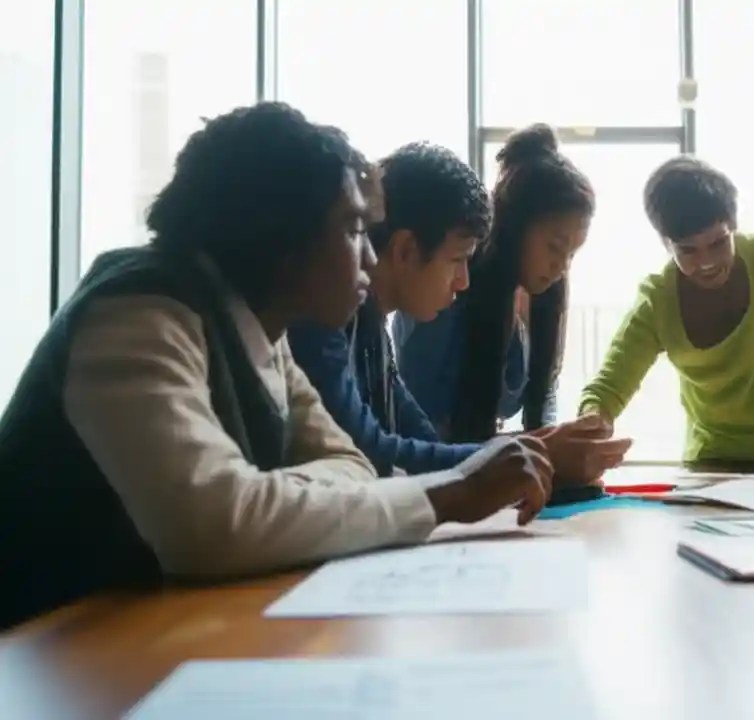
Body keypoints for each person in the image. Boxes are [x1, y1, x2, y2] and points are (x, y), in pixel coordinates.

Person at [0, 103, 552, 630]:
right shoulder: (138, 312)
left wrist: (262, 498)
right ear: (285, 233)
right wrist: (448, 494)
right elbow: (214, 525)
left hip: (131, 632)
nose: (370, 257)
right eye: (354, 229)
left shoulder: (263, 331)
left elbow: (352, 467)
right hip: (43, 652)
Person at [291, 139, 627, 484]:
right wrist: (536, 454)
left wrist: (532, 452)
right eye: (458, 260)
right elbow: (374, 451)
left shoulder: (370, 325)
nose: (463, 282)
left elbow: (422, 444)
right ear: (406, 249)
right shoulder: (323, 320)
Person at [577, 156, 754, 465]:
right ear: (666, 244)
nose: (707, 263)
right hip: (705, 467)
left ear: (733, 224)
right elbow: (609, 387)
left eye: (718, 243)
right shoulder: (658, 300)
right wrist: (592, 421)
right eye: (688, 250)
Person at [393, 125, 629, 477]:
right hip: (436, 477)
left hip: (486, 474)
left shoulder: (541, 299)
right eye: (555, 247)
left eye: (572, 254)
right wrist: (539, 449)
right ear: (515, 228)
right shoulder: (446, 291)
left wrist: (561, 443)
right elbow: (421, 429)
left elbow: (542, 397)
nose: (561, 267)